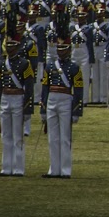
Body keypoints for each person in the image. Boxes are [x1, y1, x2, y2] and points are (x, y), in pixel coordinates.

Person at [42, 30, 84, 178]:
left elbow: (78, 90)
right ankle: (53, 169)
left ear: (69, 50)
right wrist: (43, 108)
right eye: (58, 48)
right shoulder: (50, 66)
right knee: (52, 137)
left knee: (65, 137)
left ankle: (65, 170)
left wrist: (77, 111)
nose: (60, 51)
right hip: (52, 99)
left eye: (63, 48)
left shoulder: (74, 68)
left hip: (66, 99)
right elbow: (45, 87)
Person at [1, 26, 35, 176]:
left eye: (12, 45)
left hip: (18, 98)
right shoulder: (2, 63)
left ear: (18, 46)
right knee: (5, 135)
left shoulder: (25, 64)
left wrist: (28, 108)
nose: (9, 48)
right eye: (7, 45)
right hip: (5, 98)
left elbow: (29, 88)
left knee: (17, 135)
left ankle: (18, 168)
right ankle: (6, 167)